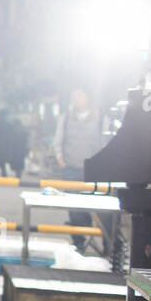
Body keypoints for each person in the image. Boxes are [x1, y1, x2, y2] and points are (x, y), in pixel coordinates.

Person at [54, 88, 108, 253]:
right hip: (71, 168)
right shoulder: (65, 118)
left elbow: (105, 143)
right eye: (74, 97)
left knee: (96, 208)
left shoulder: (100, 119)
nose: (76, 100)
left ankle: (106, 244)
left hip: (93, 171)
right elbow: (58, 140)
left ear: (87, 99)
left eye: (80, 96)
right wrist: (60, 159)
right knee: (74, 209)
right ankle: (78, 242)